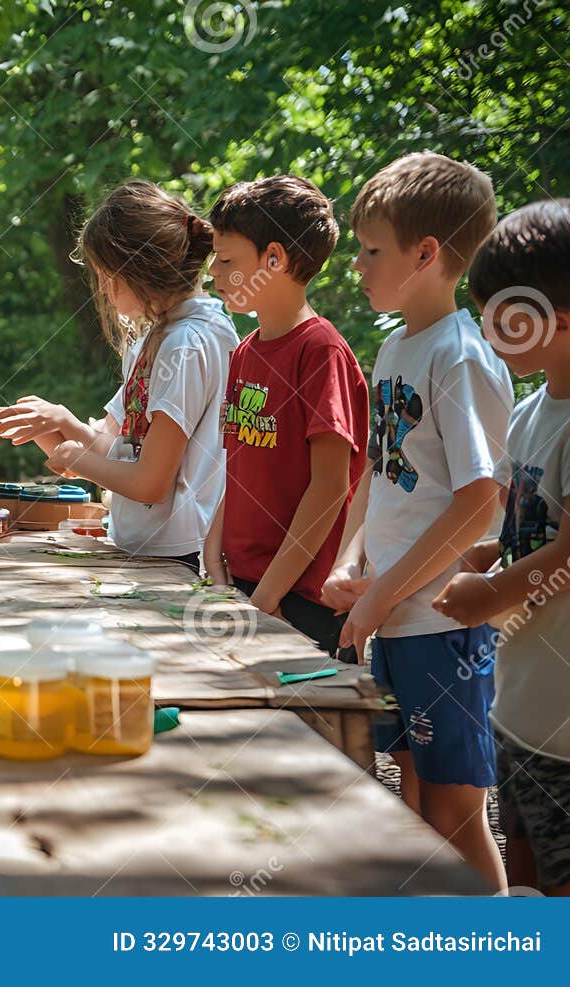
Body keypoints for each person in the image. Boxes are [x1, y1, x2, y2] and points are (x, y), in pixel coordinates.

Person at [322, 151, 511, 889]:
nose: (360, 266)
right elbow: (377, 469)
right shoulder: (397, 344)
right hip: (393, 616)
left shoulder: (459, 356)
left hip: (443, 627)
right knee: (410, 807)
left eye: (373, 251)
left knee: (457, 814)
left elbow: (480, 500)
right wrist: (350, 562)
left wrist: (382, 594)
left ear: (427, 254)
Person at [0, 180, 237, 572]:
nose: (101, 290)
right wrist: (55, 424)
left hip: (181, 555)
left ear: (135, 270)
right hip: (146, 548)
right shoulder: (158, 338)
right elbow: (122, 452)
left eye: (104, 275)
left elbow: (150, 482)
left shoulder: (186, 344)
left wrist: (76, 459)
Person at [432, 198, 570, 896]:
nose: (486, 327)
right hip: (519, 708)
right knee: (526, 883)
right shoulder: (529, 410)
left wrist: (492, 594)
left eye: (501, 314)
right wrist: (493, 550)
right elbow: (534, 530)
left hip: (565, 727)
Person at [204, 176, 368, 652]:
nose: (213, 270)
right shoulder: (245, 352)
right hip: (243, 587)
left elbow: (331, 486)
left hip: (301, 605)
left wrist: (269, 596)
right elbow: (238, 465)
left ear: (273, 259)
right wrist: (214, 558)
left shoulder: (322, 352)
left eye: (227, 259)